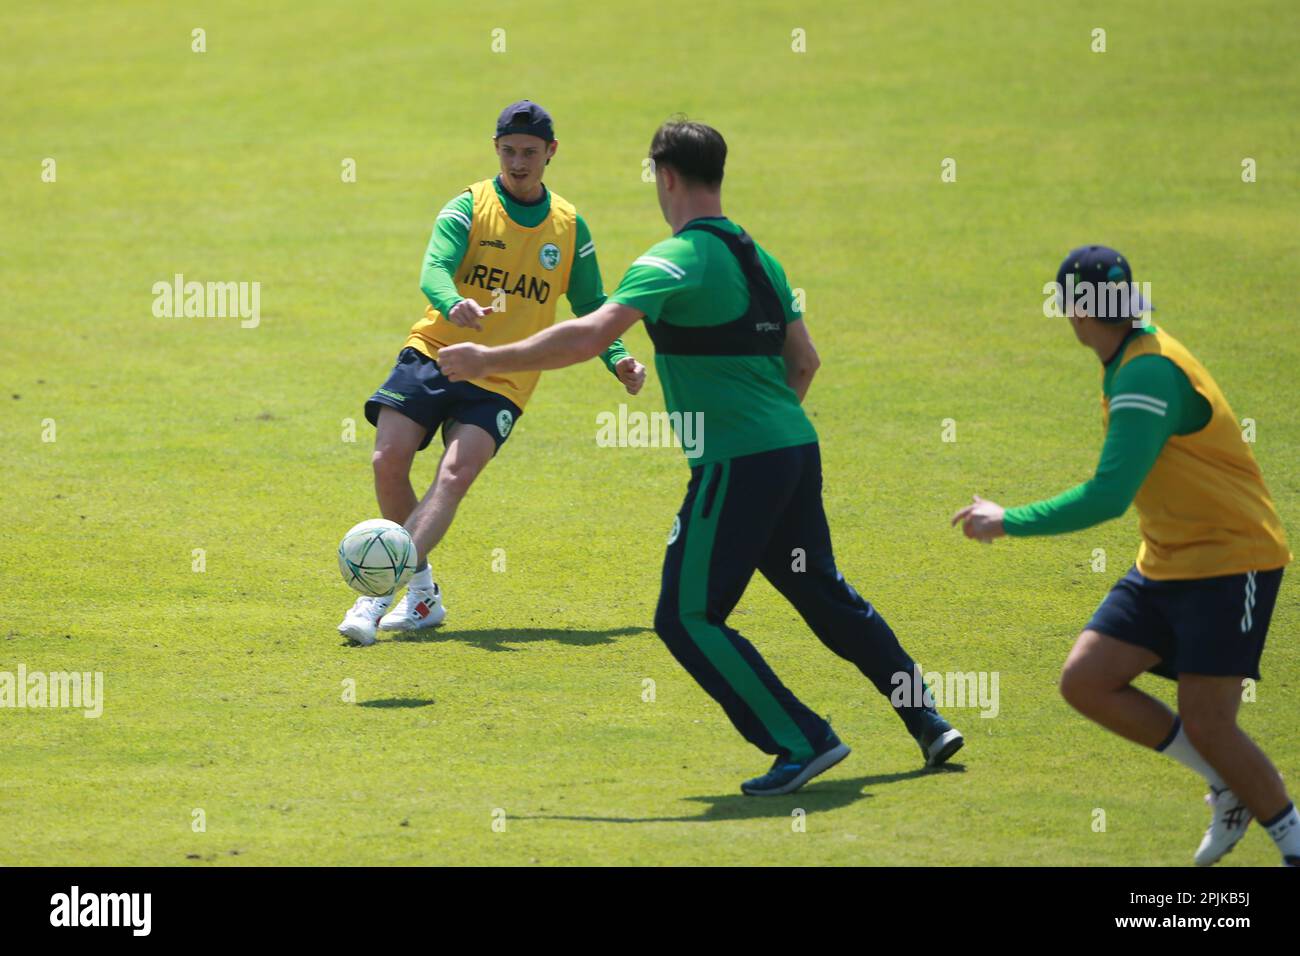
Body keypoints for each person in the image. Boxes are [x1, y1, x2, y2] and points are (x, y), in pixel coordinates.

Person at [438, 119, 963, 796]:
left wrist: (487, 358)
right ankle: (926, 717)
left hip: (738, 462)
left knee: (685, 616)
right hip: (794, 449)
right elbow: (804, 361)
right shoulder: (761, 258)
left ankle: (803, 740)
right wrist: (766, 424)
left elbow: (587, 336)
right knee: (823, 593)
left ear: (666, 177)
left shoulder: (671, 259)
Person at [952, 244, 1295, 866]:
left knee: (1211, 722)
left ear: (1077, 311)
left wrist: (1007, 521)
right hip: (1168, 558)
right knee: (1087, 680)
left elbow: (1109, 495)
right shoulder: (1133, 352)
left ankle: (1292, 841)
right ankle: (1227, 785)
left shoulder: (1145, 373)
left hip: (1229, 562)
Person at [338, 100, 646, 646]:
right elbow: (434, 266)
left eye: (530, 152)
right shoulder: (469, 206)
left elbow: (593, 302)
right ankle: (423, 590)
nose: (518, 163)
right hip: (436, 350)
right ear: (496, 149)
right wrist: (452, 302)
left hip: (504, 377)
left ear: (551, 152)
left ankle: (378, 595)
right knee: (387, 459)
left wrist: (616, 355)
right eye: (509, 151)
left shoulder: (568, 227)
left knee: (454, 475)